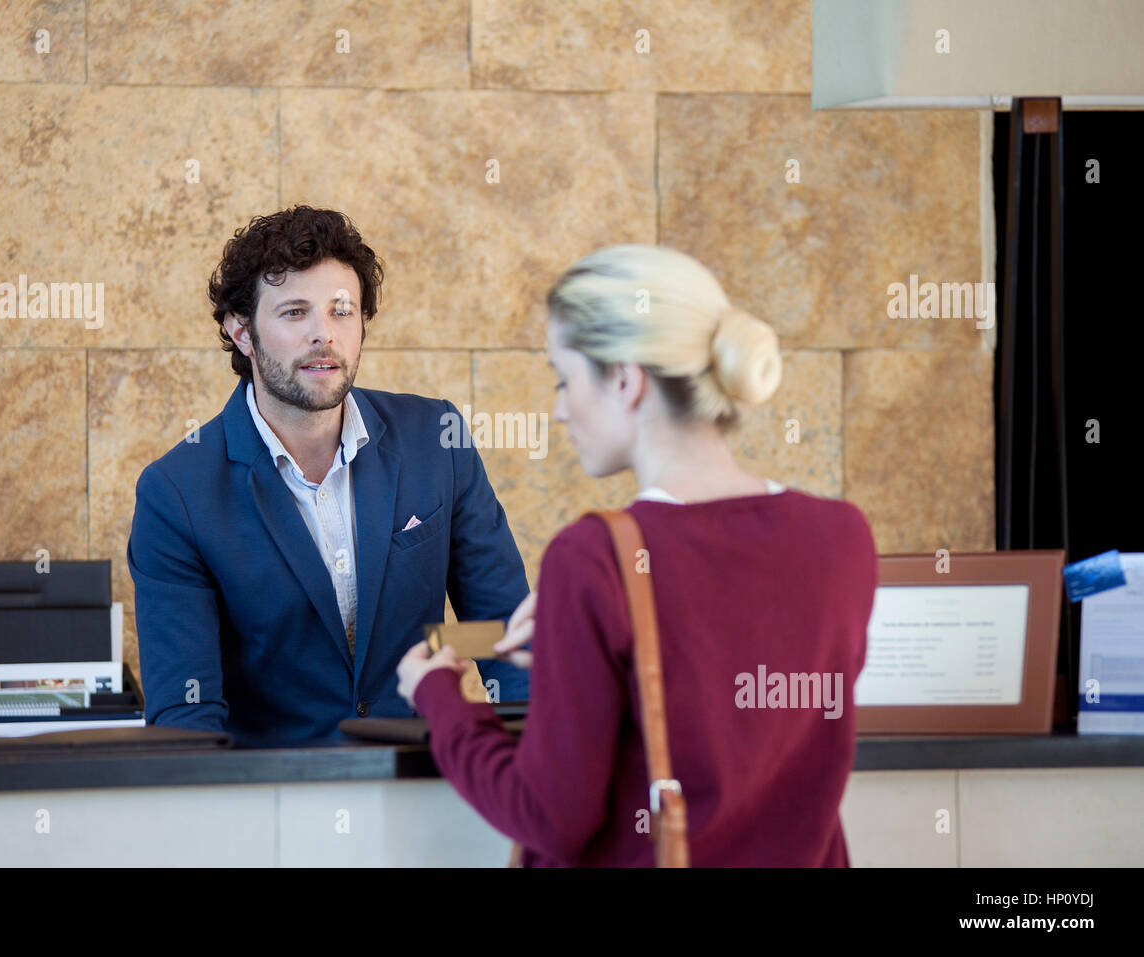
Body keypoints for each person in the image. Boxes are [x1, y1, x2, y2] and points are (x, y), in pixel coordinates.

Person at [397, 244, 878, 866]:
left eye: (564, 379)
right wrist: (582, 633)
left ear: (626, 380)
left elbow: (548, 816)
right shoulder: (841, 537)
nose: (560, 410)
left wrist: (441, 694)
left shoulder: (593, 556)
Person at [128, 206, 529, 746]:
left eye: (342, 311)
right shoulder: (176, 494)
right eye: (295, 313)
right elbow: (187, 713)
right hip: (276, 803)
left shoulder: (436, 438)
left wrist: (539, 773)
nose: (324, 335)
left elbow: (502, 632)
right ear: (242, 331)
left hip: (424, 780)